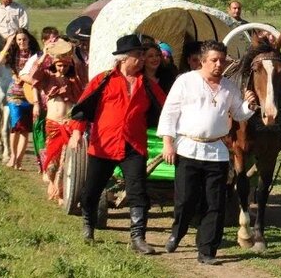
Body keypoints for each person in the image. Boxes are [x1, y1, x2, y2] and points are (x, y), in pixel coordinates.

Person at [158, 40, 256, 265]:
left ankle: (207, 250)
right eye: (214, 60)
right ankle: (178, 232)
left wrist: (248, 106)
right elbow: (170, 113)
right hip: (188, 148)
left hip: (216, 152)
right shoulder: (185, 81)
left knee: (216, 203)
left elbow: (238, 114)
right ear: (202, 61)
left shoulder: (229, 87)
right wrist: (167, 143)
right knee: (186, 200)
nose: (219, 65)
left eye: (222, 60)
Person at [68, 34, 167, 252]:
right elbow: (82, 108)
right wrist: (76, 134)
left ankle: (138, 238)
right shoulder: (103, 80)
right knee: (92, 190)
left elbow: (168, 109)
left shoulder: (147, 84)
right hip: (103, 145)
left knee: (138, 191)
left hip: (134, 146)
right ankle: (88, 226)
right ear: (123, 58)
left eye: (142, 55)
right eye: (137, 55)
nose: (141, 59)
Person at [24, 39, 86, 201]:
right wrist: (44, 54)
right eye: (59, 65)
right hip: (53, 124)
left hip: (70, 124)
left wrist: (75, 55)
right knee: (53, 162)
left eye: (65, 65)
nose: (62, 68)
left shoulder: (75, 80)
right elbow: (33, 75)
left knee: (67, 161)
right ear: (54, 64)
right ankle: (52, 183)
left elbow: (82, 70)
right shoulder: (47, 78)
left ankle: (62, 192)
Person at [0, 29, 42, 170]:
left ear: (29, 40)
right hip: (15, 94)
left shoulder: (36, 55)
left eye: (24, 39)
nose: (21, 42)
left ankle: (19, 160)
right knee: (16, 127)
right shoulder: (13, 54)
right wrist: (9, 42)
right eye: (19, 40)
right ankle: (12, 156)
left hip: (30, 95)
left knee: (25, 129)